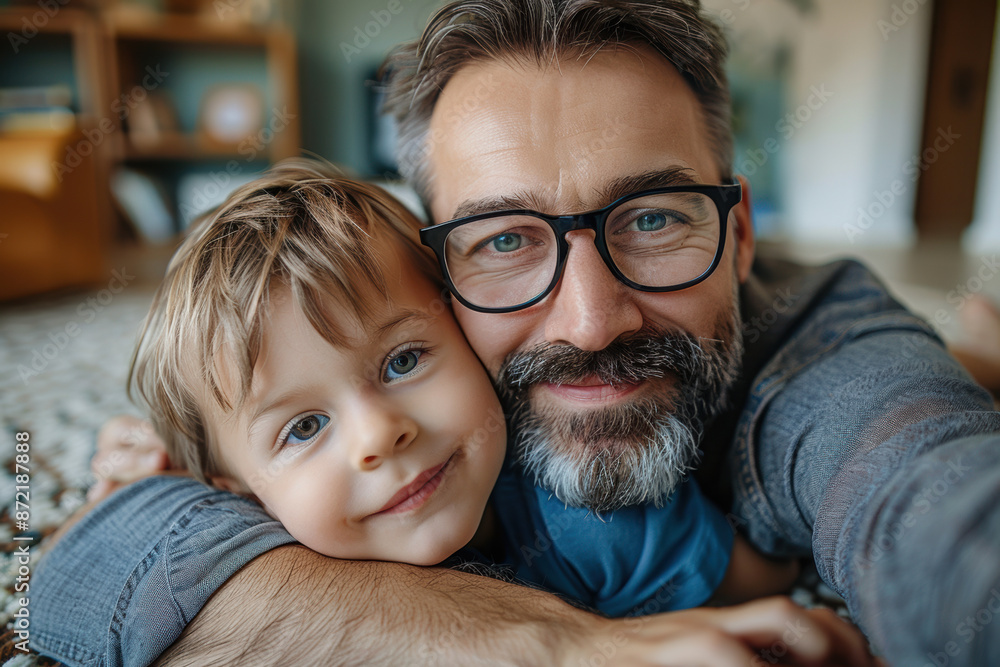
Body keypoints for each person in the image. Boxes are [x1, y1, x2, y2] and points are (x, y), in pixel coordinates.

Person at [32, 0, 1000, 665]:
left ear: (738, 232)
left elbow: (941, 512)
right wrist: (565, 642)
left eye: (653, 215)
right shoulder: (379, 383)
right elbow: (86, 577)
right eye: (504, 238)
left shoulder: (832, 360)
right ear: (434, 266)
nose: (590, 321)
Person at [111, 157, 797, 611]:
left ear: (466, 327)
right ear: (236, 492)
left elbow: (766, 582)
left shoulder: (594, 521)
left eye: (403, 361)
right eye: (305, 427)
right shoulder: (259, 578)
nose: (380, 434)